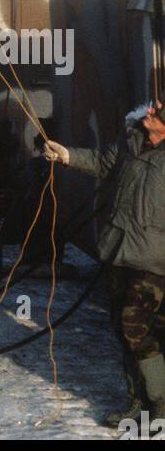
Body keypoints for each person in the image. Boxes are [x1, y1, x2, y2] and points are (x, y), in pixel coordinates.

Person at [44, 101, 165, 426]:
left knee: (135, 326)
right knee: (124, 332)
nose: (151, 111)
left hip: (154, 261)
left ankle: (160, 404)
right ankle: (138, 404)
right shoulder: (131, 143)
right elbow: (100, 162)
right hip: (118, 252)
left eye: (159, 110)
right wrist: (66, 155)